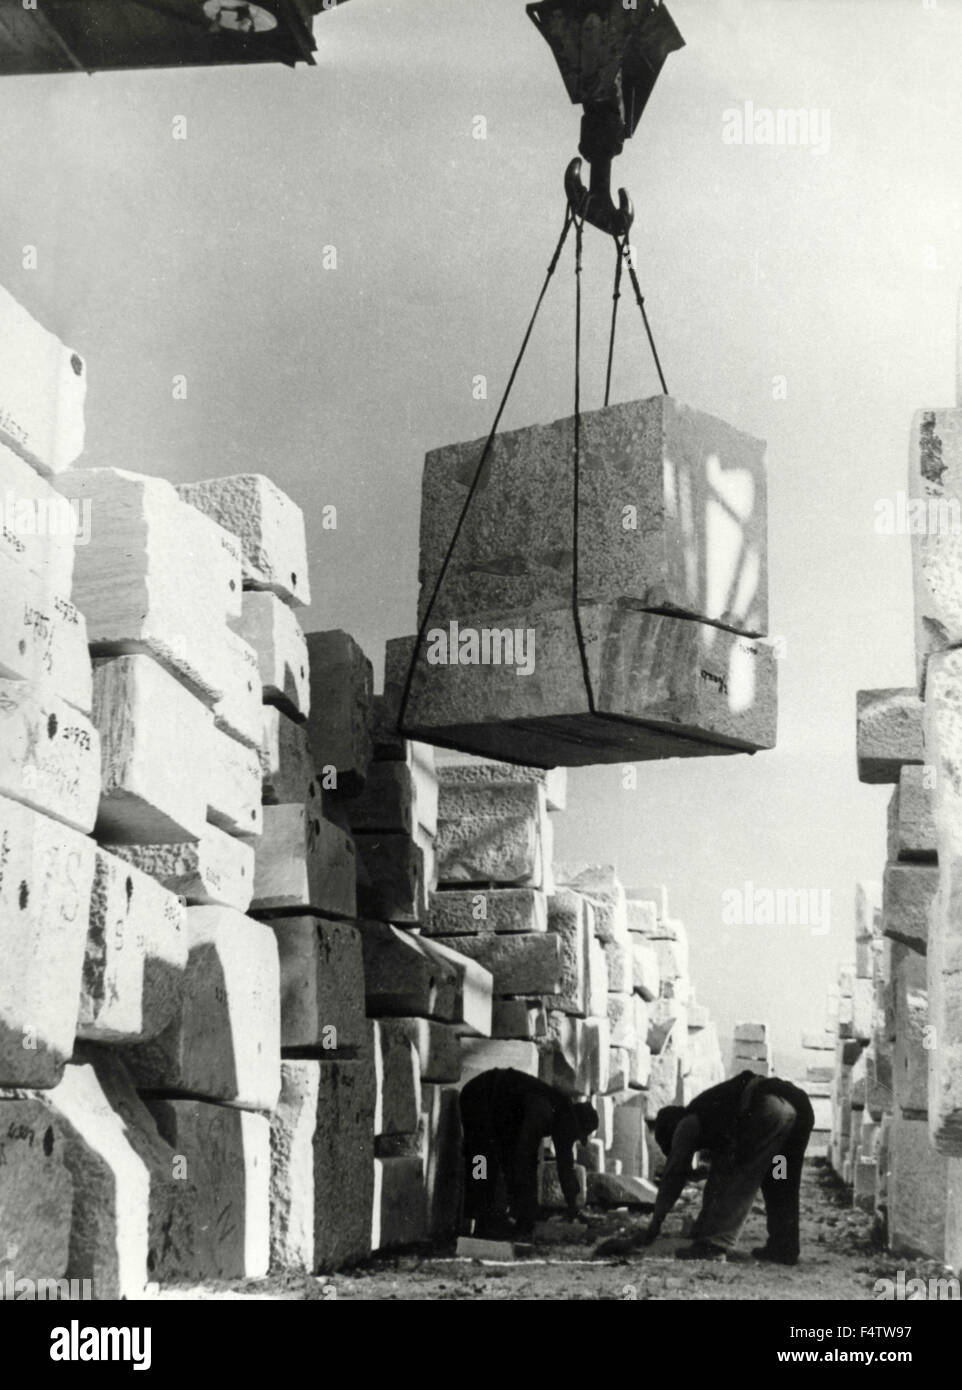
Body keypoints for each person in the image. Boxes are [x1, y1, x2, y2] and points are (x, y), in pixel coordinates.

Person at [594, 1070, 815, 1264]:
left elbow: (673, 1175)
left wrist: (654, 1226)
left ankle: (715, 1246)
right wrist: (699, 1228)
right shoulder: (713, 1115)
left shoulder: (685, 1123)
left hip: (767, 1110)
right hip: (794, 1112)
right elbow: (714, 1178)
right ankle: (783, 1248)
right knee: (780, 1180)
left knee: (738, 1172)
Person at [459, 1068, 599, 1240]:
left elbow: (565, 1164)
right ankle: (478, 1220)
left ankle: (492, 1218)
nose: (572, 1138)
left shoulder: (564, 1119)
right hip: (480, 1096)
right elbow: (525, 1156)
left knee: (500, 1160)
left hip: (500, 1110)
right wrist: (528, 1210)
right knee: (481, 1159)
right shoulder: (546, 1109)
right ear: (574, 1124)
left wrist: (573, 1206)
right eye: (576, 1134)